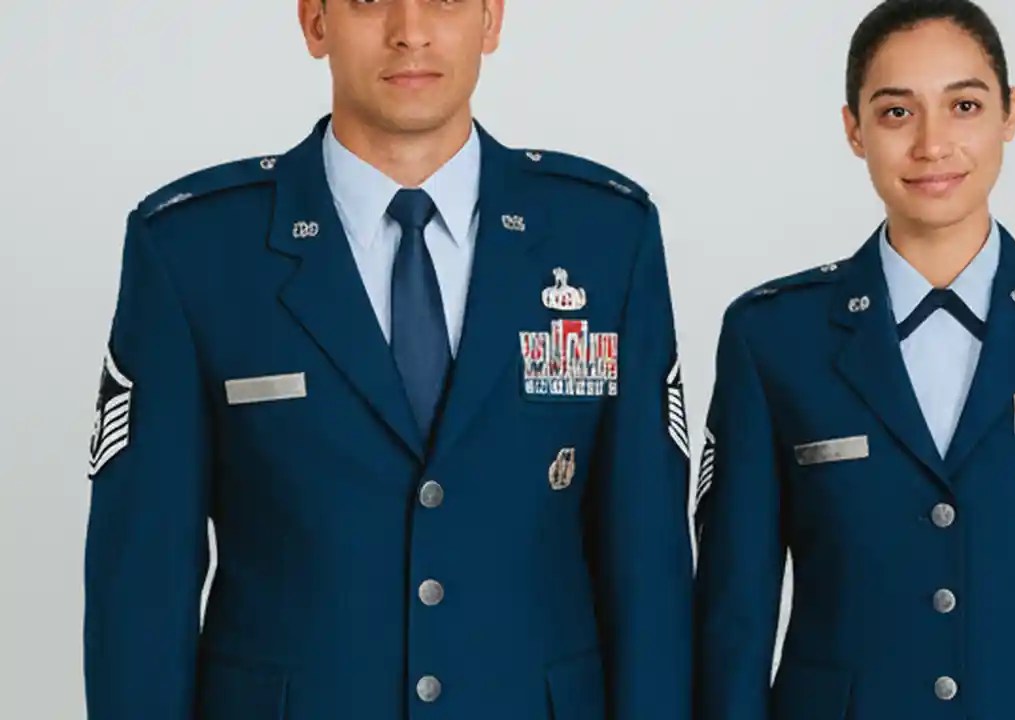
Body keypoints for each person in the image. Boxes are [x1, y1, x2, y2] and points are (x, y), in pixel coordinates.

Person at [83, 1, 693, 718]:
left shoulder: (604, 236)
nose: (410, 28)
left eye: (446, 0)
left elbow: (648, 563)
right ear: (314, 23)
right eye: (370, 0)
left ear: (492, 20)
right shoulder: (195, 251)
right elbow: (143, 584)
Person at [692, 1, 1015, 718]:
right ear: (853, 130)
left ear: (1009, 114)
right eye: (897, 113)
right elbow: (735, 618)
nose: (933, 144)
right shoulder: (773, 338)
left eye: (964, 105)